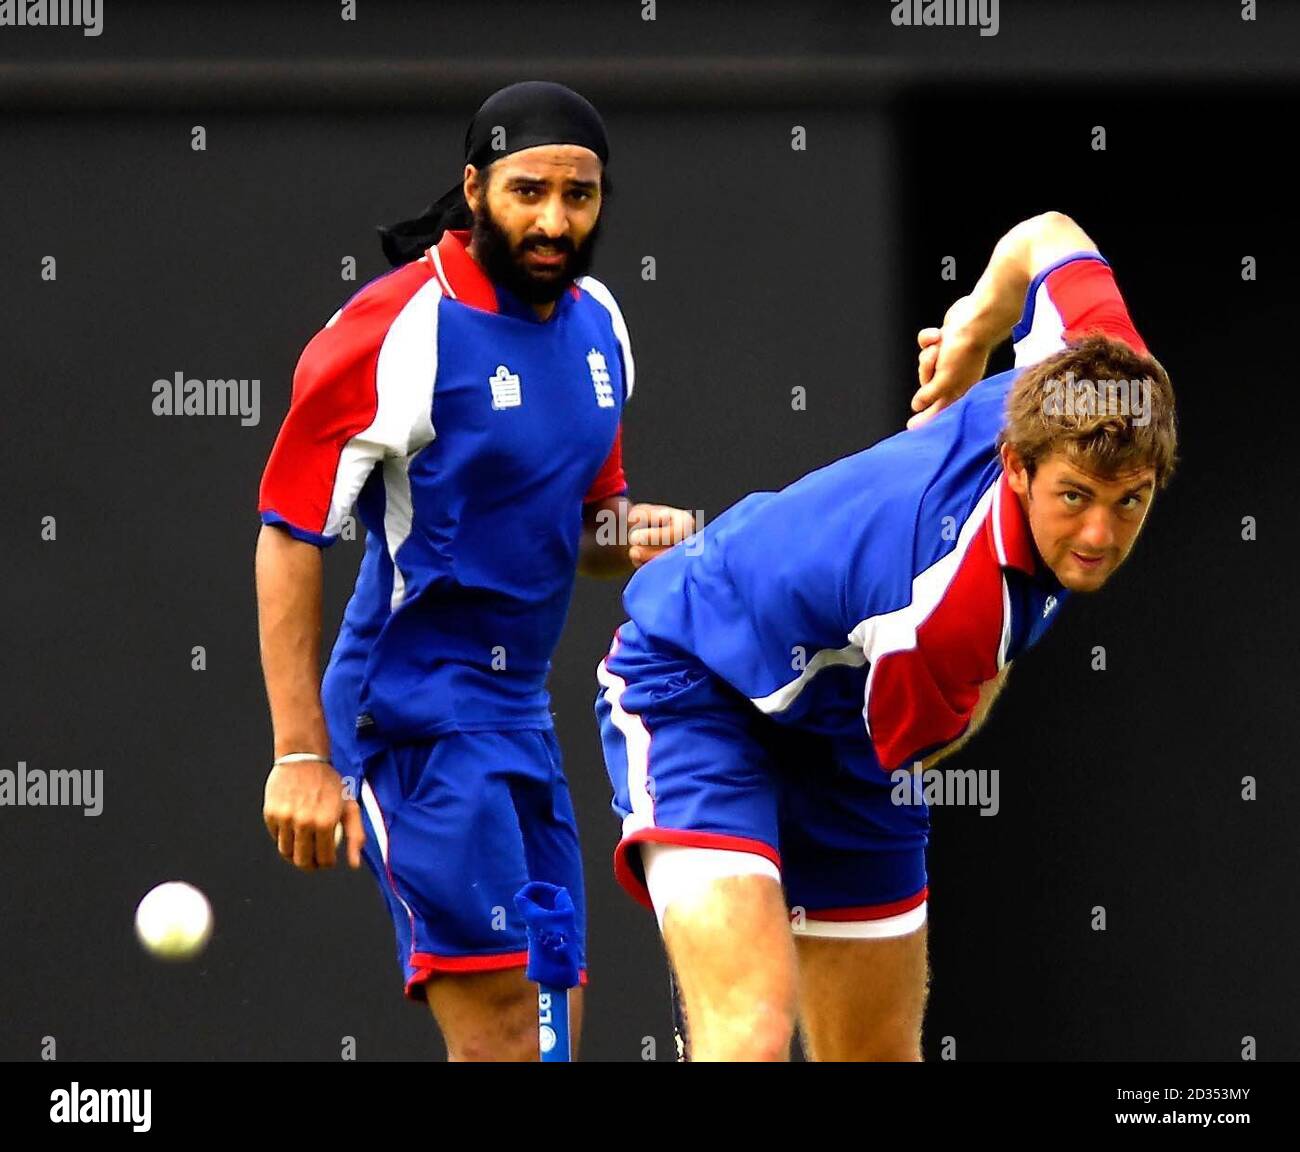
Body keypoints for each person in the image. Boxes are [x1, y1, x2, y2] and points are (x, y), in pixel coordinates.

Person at [595, 211, 1177, 1061]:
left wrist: (975, 333)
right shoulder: (948, 608)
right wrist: (985, 662)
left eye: (1130, 501)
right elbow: (913, 737)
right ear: (1017, 464)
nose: (1099, 535)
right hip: (696, 684)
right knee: (750, 1035)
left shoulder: (1107, 376)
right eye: (1075, 497)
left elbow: (1047, 234)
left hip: (843, 713)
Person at [255, 81, 694, 1061]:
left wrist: (641, 533)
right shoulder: (395, 328)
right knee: (500, 1023)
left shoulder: (600, 324)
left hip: (519, 715)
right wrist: (299, 754)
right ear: (474, 187)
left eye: (577, 196)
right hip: (408, 711)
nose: (553, 219)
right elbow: (289, 530)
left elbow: (587, 531)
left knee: (551, 1029)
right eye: (527, 190)